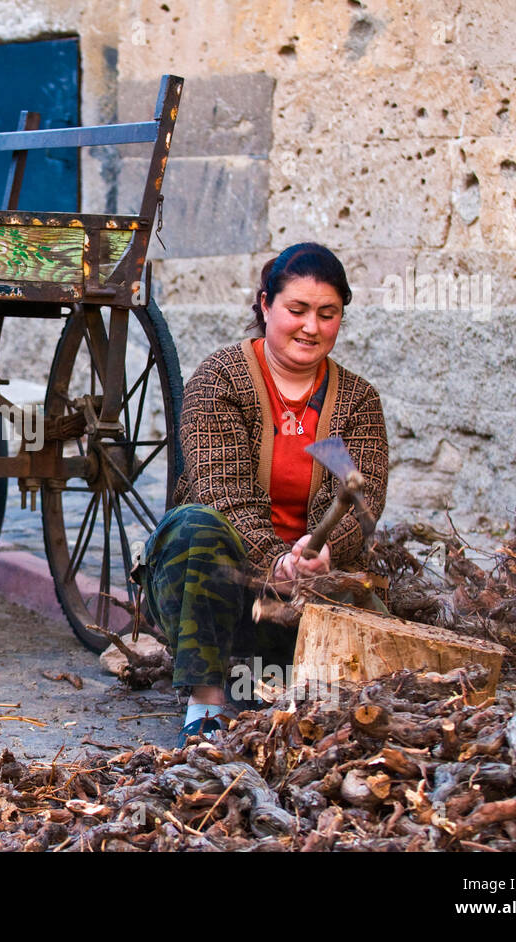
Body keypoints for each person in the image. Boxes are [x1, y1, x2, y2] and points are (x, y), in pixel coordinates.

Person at [139, 242, 389, 747]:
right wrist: (276, 561)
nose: (310, 327)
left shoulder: (358, 401)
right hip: (219, 587)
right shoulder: (220, 379)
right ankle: (204, 703)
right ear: (266, 305)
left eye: (327, 314)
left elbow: (362, 501)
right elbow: (223, 493)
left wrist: (320, 556)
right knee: (196, 525)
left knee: (292, 695)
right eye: (295, 310)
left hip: (304, 594)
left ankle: (275, 678)